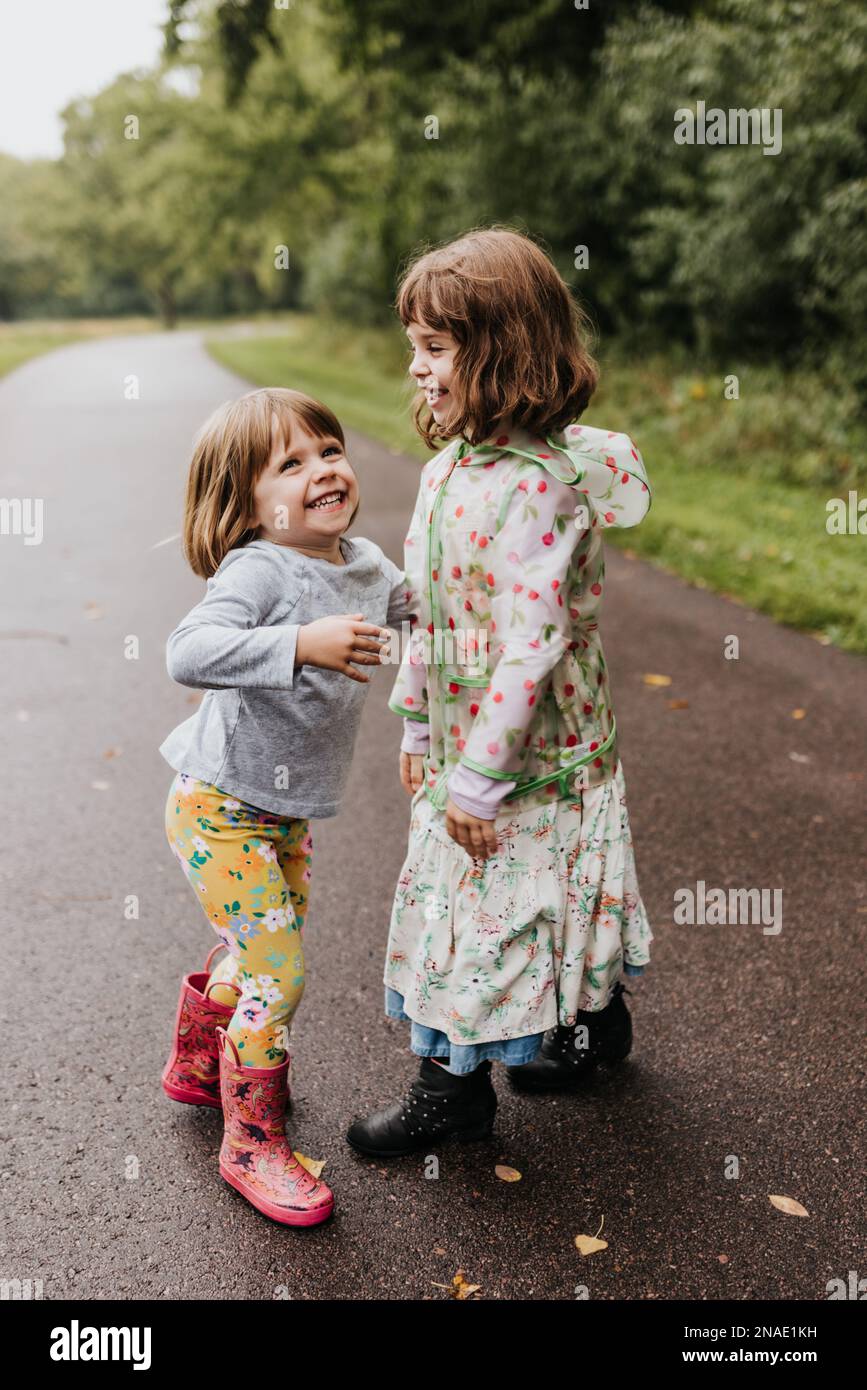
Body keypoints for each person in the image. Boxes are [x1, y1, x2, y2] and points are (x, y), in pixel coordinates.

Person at [346, 228, 654, 1158]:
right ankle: (593, 1026)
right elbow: (428, 607)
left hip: (530, 751)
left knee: (497, 906)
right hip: (461, 738)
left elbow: (531, 646)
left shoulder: (540, 490)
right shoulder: (448, 471)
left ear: (501, 350)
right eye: (415, 348)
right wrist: (410, 718)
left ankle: (454, 1094)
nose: (417, 369)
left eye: (434, 349)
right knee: (530, 895)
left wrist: (478, 779)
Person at [159, 386, 413, 1222]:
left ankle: (199, 1065)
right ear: (250, 503)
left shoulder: (366, 564)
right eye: (291, 463)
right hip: (217, 807)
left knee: (258, 948)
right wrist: (300, 643)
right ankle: (250, 1142)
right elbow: (187, 652)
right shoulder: (260, 567)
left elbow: (420, 608)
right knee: (279, 970)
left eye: (329, 451)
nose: (323, 471)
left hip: (283, 812)